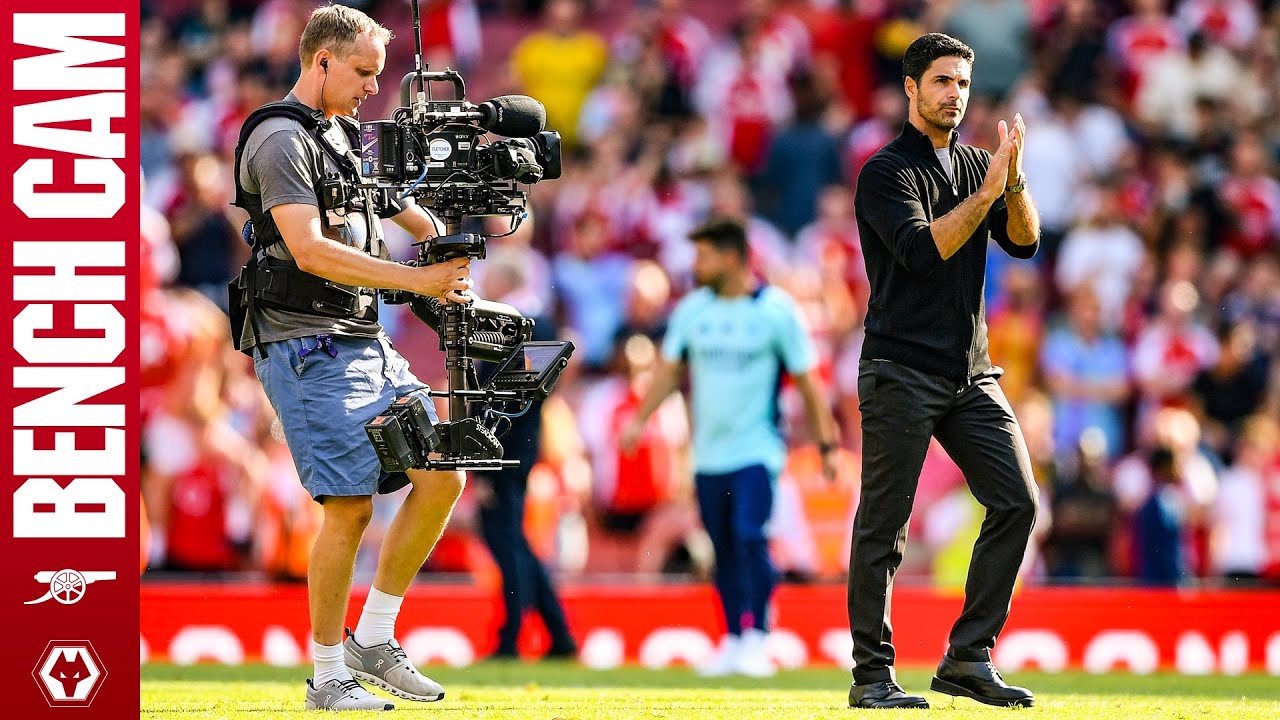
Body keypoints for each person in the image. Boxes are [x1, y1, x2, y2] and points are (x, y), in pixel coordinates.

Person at [230, 5, 473, 711]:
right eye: (365, 71)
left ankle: (374, 637)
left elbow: (404, 213)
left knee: (442, 475)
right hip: (304, 344)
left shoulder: (343, 137)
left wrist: (449, 230)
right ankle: (328, 674)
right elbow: (307, 248)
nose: (374, 85)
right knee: (347, 506)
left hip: (362, 339)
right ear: (323, 59)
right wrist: (418, 279)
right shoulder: (280, 138)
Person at [846, 33, 1041, 709]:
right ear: (910, 89)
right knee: (885, 528)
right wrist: (988, 189)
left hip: (971, 373)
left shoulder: (980, 167)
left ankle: (968, 658)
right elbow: (923, 253)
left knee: (1018, 501)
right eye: (941, 82)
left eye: (961, 82)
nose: (954, 94)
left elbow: (1025, 239)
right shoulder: (885, 172)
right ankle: (872, 676)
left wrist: (1010, 184)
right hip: (899, 368)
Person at [621, 218, 840, 678]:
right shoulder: (693, 311)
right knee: (720, 546)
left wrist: (826, 444)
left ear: (733, 257)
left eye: (703, 255)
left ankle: (759, 634)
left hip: (759, 449)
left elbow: (808, 382)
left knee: (749, 534)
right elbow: (668, 372)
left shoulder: (777, 311)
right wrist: (640, 420)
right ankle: (732, 640)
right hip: (709, 454)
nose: (695, 265)